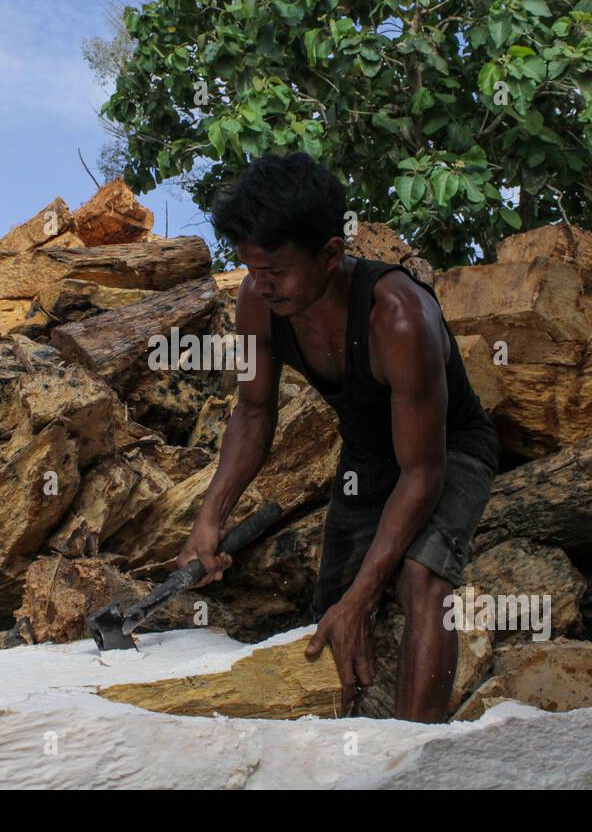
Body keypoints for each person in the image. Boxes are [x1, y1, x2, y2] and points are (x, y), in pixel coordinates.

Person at [174, 152, 500, 722]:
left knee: (419, 579)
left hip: (447, 451)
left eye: (275, 270)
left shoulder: (397, 317)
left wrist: (368, 590)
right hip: (368, 455)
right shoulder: (259, 302)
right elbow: (253, 414)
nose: (261, 285)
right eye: (251, 268)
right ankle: (346, 752)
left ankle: (414, 757)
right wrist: (209, 518)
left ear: (331, 252)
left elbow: (423, 475)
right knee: (332, 611)